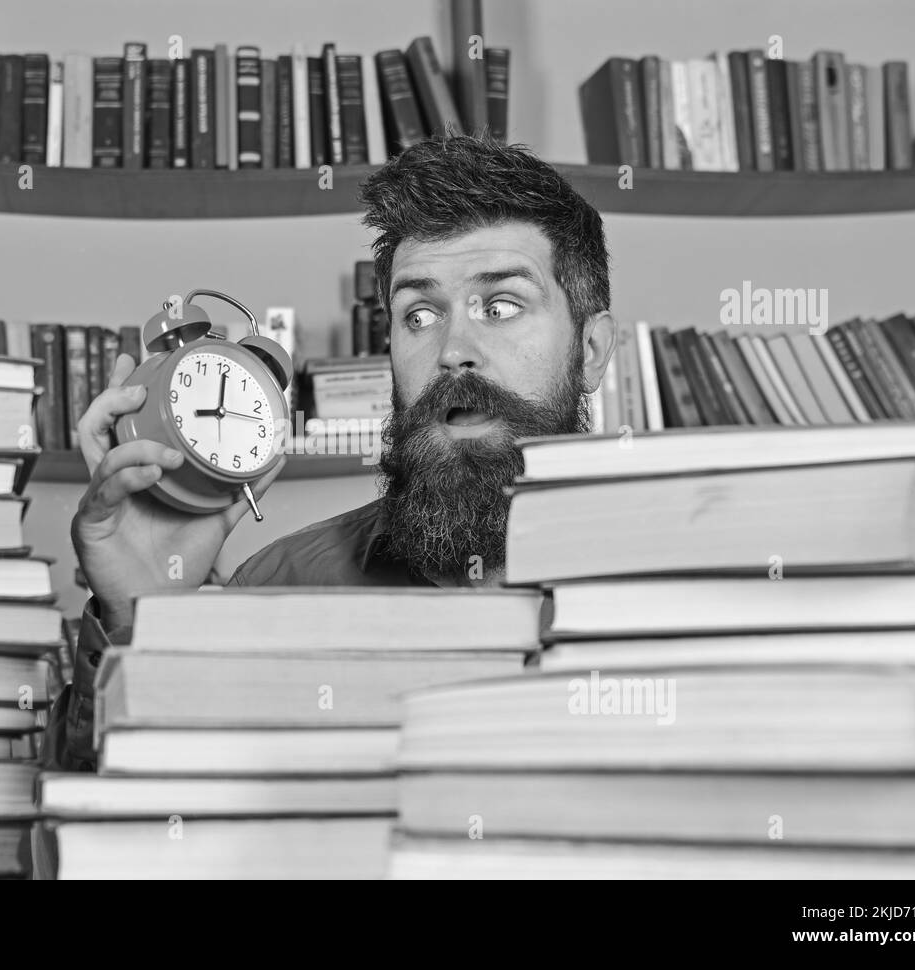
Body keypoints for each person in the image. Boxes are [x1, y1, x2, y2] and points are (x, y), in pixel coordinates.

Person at [46, 135, 617, 768]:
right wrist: (141, 623)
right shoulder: (275, 588)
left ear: (590, 350)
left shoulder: (696, 581)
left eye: (502, 305)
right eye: (419, 315)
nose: (454, 348)